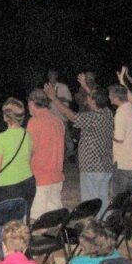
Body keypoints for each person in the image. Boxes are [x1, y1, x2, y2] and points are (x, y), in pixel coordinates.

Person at [46, 83, 114, 214]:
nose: (86, 97)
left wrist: (54, 99)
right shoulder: (107, 113)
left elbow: (70, 115)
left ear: (93, 101)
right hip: (104, 166)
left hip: (92, 168)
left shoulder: (92, 117)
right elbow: (99, 99)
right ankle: (105, 227)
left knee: (91, 204)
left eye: (89, 96)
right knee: (103, 201)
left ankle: (94, 230)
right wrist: (87, 87)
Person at [0, 98, 35, 210]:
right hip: (28, 182)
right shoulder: (27, 135)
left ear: (5, 117)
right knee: (22, 222)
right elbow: (29, 157)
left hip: (8, 186)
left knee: (7, 225)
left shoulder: (1, 138)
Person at [26, 88, 65, 219]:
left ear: (32, 103)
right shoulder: (58, 121)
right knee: (54, 220)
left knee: (37, 221)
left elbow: (29, 150)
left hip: (40, 178)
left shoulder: (34, 122)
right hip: (57, 177)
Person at [109, 84, 132, 197]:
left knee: (119, 198)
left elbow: (119, 139)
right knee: (131, 198)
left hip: (123, 162)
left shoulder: (121, 113)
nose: (109, 96)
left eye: (110, 94)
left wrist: (109, 133)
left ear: (116, 98)